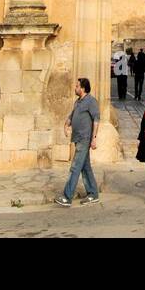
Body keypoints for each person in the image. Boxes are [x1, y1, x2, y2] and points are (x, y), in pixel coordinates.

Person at [54, 77, 100, 207]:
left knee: (75, 167)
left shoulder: (91, 101)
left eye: (77, 86)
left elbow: (96, 120)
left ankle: (67, 196)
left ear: (83, 88)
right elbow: (72, 115)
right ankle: (93, 193)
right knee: (85, 168)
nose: (75, 88)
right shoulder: (78, 102)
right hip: (77, 137)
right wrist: (66, 125)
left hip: (84, 138)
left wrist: (94, 138)